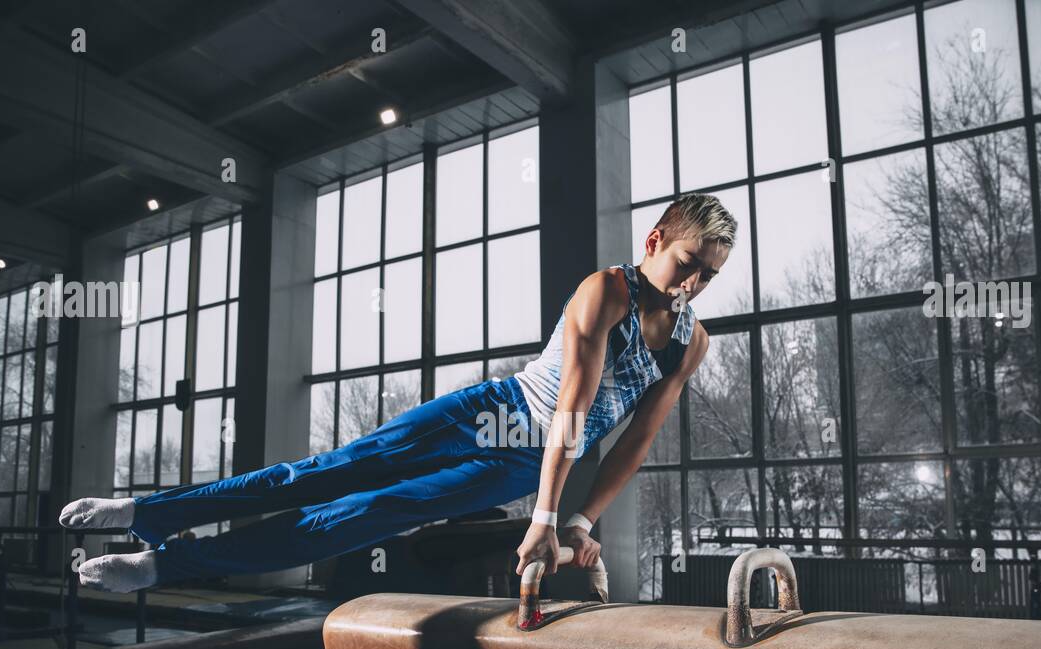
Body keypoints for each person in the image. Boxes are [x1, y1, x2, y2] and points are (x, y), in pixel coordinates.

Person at [59, 194, 736, 593]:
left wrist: (582, 522)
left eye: (708, 276)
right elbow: (572, 411)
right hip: (494, 410)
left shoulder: (690, 342)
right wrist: (544, 521)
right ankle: (148, 511)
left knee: (366, 513)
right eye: (687, 265)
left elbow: (637, 440)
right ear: (654, 241)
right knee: (326, 472)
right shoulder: (608, 290)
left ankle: (164, 567)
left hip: (521, 461)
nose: (693, 285)